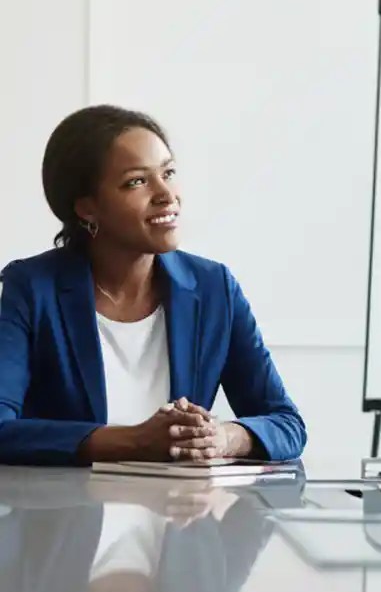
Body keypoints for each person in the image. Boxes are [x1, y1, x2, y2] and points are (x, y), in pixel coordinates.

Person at [0, 105, 306, 465]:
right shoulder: (33, 289)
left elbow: (286, 423)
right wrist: (133, 441)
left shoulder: (213, 287)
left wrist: (223, 438)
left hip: (177, 501)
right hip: (68, 501)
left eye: (168, 173)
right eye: (137, 181)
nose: (166, 194)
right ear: (87, 208)